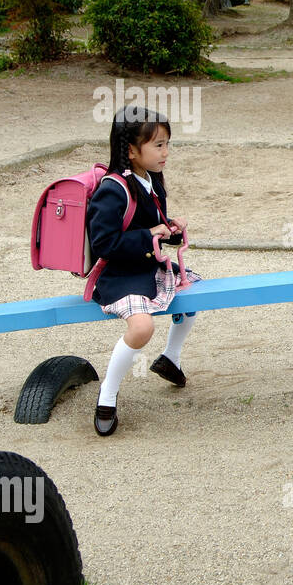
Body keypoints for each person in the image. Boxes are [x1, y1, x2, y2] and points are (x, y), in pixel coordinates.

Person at [86, 106, 201, 435]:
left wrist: (171, 230)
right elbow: (103, 244)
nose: (166, 152)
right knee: (141, 330)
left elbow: (153, 227)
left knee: (192, 295)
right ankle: (107, 397)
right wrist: (148, 235)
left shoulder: (152, 181)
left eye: (167, 143)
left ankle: (170, 358)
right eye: (158, 145)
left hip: (149, 269)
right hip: (120, 278)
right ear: (132, 151)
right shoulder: (112, 190)